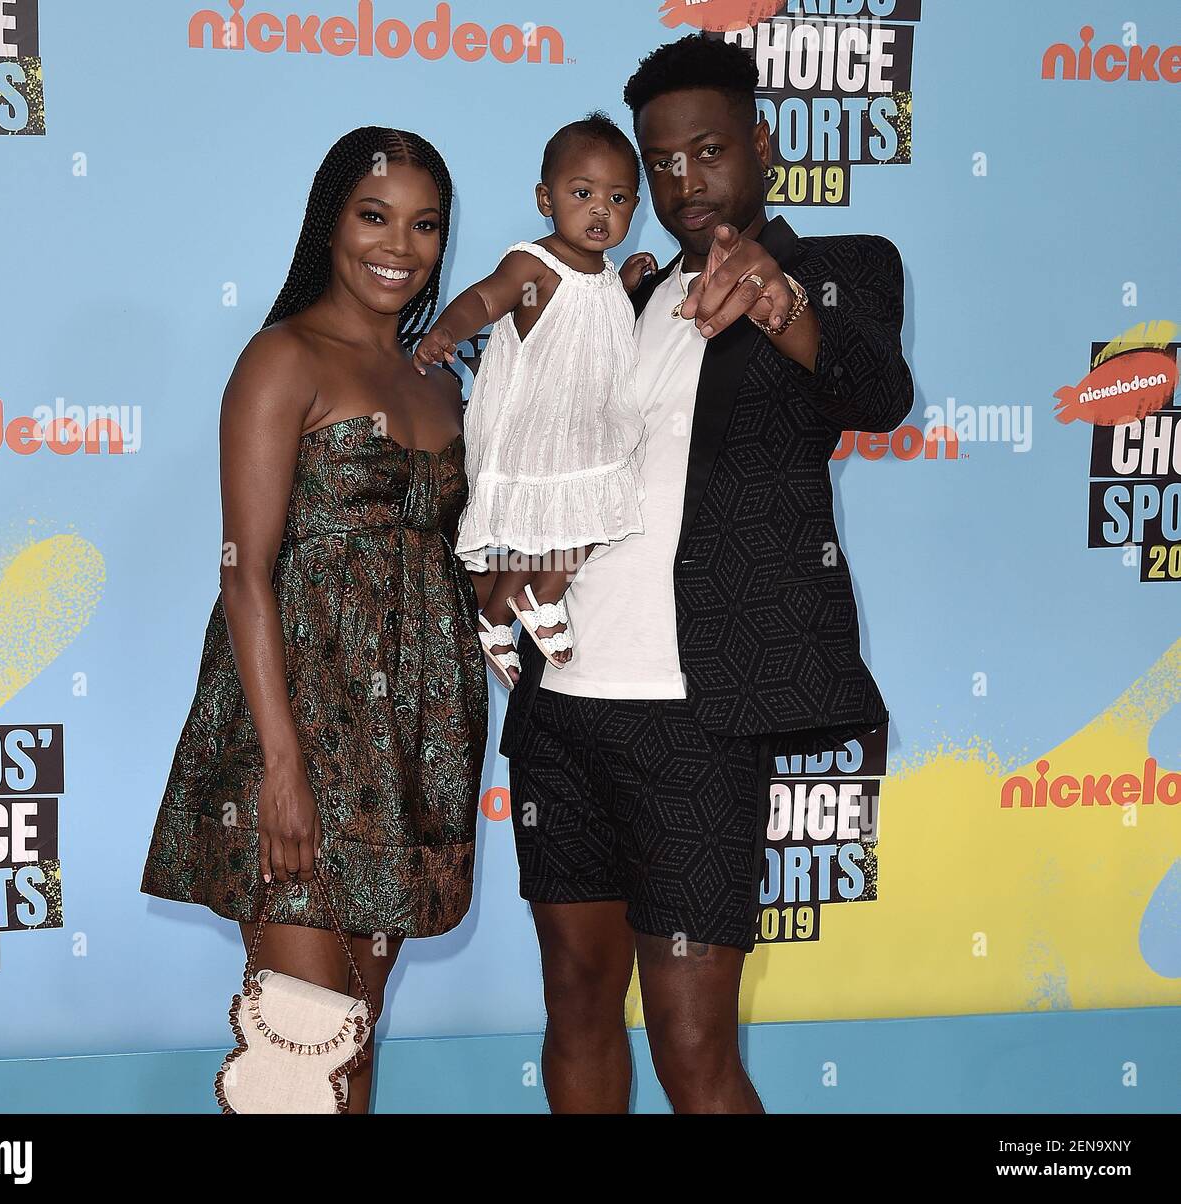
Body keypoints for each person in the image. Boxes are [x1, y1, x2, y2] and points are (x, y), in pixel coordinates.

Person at [500, 35, 915, 1114]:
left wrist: (778, 303)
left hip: (697, 721)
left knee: (693, 1047)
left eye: (707, 150)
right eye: (660, 160)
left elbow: (876, 392)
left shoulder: (841, 268)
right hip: (561, 712)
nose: (682, 180)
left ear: (763, 147)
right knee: (577, 1008)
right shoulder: (613, 297)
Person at [140, 126, 487, 1113]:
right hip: (295, 735)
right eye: (374, 216)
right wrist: (281, 768)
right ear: (330, 223)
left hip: (415, 745)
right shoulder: (281, 358)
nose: (400, 245)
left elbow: (466, 558)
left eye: (425, 225)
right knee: (293, 1058)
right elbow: (245, 573)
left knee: (348, 1053)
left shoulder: (441, 381)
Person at [413, 112, 659, 688]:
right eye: (583, 193)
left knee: (592, 512)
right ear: (545, 199)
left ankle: (522, 603)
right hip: (537, 424)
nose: (602, 210)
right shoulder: (534, 263)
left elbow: (593, 319)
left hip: (590, 423)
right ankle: (512, 606)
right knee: (542, 527)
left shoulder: (603, 274)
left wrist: (625, 288)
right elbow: (484, 299)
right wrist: (449, 329)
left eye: (620, 198)